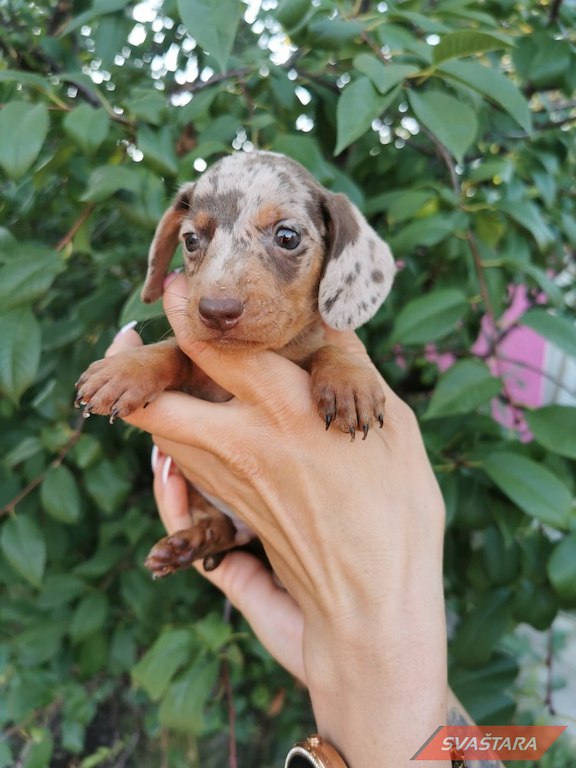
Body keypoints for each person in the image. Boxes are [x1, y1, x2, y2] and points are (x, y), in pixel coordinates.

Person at [105, 272, 500, 768]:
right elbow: (469, 753)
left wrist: (362, 633)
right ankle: (215, 527)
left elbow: (325, 352)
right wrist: (365, 643)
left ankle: (217, 528)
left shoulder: (309, 322)